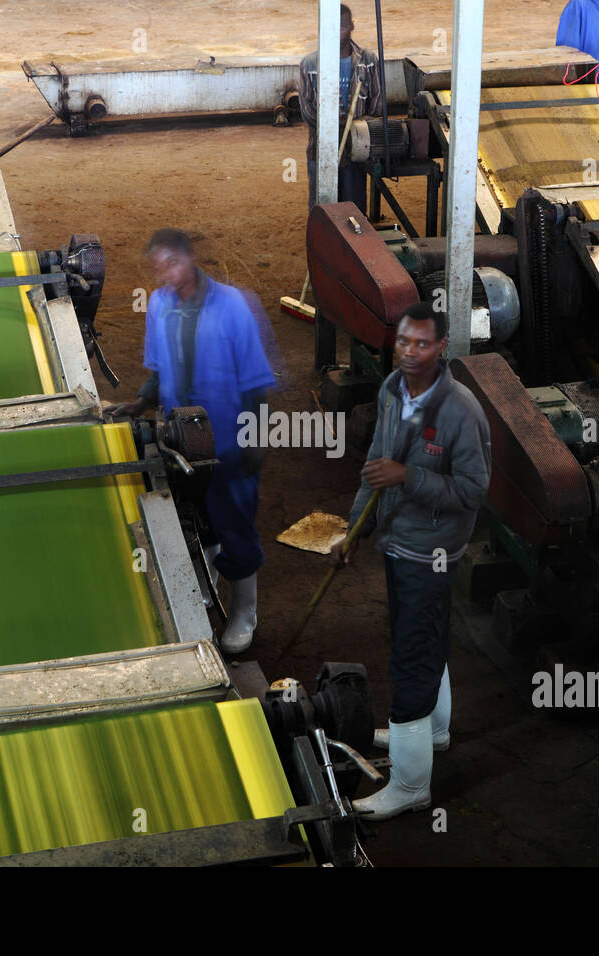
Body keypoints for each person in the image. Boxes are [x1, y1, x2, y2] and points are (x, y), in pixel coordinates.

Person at [331, 301, 491, 821]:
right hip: (399, 544)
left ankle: (409, 785)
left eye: (422, 343)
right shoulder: (391, 391)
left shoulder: (460, 411)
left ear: (442, 348)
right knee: (422, 639)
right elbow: (374, 471)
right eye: (404, 341)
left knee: (411, 659)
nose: (410, 352)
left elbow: (472, 490)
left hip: (432, 552)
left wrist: (411, 478)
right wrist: (355, 530)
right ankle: (434, 733)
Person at [106, 229, 276, 654]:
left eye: (171, 264)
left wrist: (255, 437)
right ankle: (204, 583)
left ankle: (244, 612)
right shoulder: (160, 304)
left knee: (233, 519)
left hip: (228, 439)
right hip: (182, 437)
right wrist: (140, 402)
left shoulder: (233, 306)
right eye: (157, 267)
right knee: (192, 513)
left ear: (190, 258)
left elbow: (256, 383)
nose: (164, 274)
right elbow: (160, 371)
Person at [298, 4, 383, 211]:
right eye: (332, 27)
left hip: (358, 148)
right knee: (323, 206)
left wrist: (357, 132)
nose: (337, 32)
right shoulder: (309, 64)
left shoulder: (368, 61)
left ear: (352, 26)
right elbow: (307, 109)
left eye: (342, 27)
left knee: (353, 207)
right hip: (321, 148)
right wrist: (332, 129)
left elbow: (377, 102)